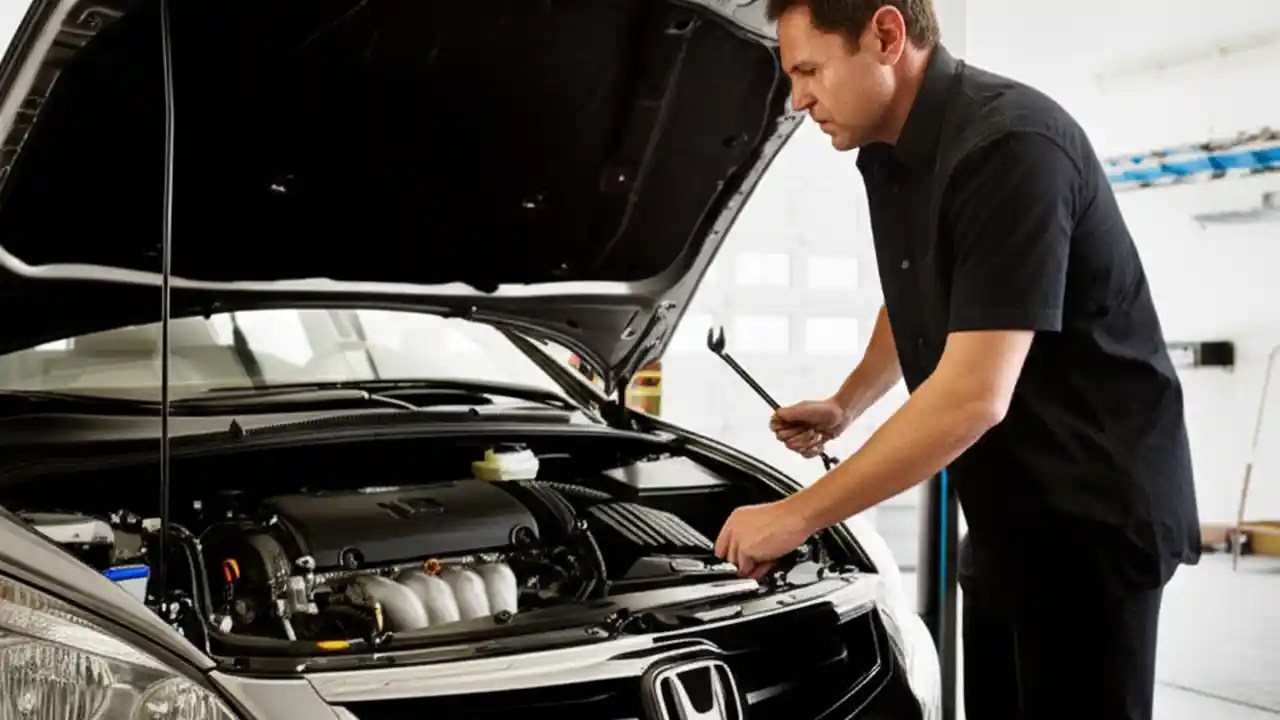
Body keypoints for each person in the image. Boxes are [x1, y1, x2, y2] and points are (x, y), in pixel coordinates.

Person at [711, 2, 1201, 718]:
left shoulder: (1010, 147)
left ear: (885, 35)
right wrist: (847, 402)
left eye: (809, 70)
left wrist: (799, 515)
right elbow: (917, 293)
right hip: (1010, 517)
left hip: (1092, 522)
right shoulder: (891, 152)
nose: (798, 99)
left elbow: (974, 395)